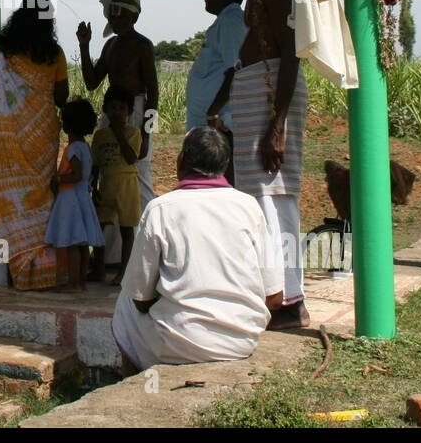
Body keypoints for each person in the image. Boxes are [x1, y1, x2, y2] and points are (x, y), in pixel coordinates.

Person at [112, 127, 283, 371]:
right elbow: (274, 298)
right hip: (241, 343)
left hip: (179, 342)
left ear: (181, 160)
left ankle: (131, 383)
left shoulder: (160, 208)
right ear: (224, 166)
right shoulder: (249, 206)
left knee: (125, 300)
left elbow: (140, 299)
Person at [218, 0, 310, 330]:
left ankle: (290, 300)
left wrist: (278, 125)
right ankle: (276, 294)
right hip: (261, 93)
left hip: (274, 94)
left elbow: (289, 52)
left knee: (277, 200)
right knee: (261, 202)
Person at [0, 0, 69, 290]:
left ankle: (15, 269)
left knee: (12, 201)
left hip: (7, 139)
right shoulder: (54, 54)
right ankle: (43, 271)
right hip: (43, 137)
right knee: (42, 197)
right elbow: (61, 98)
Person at [76, 0, 158, 216]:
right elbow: (92, 82)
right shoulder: (110, 45)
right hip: (112, 113)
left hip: (137, 112)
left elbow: (153, 91)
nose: (115, 20)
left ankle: (143, 236)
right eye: (112, 16)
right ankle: (112, 247)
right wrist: (84, 46)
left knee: (138, 173)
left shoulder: (143, 45)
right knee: (109, 170)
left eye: (119, 15)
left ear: (133, 17)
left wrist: (148, 132)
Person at [45, 99, 104, 292]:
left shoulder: (72, 149)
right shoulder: (85, 147)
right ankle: (81, 282)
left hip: (70, 199)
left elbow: (76, 175)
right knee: (83, 243)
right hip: (82, 198)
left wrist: (59, 178)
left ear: (66, 125)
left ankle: (73, 284)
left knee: (72, 243)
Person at [88, 85, 142, 284]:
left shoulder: (133, 133)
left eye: (121, 108)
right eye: (113, 108)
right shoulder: (100, 136)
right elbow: (95, 164)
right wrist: (93, 188)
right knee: (98, 228)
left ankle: (124, 272)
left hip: (127, 185)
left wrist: (119, 134)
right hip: (107, 185)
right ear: (105, 110)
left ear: (129, 111)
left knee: (126, 230)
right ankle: (98, 268)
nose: (117, 113)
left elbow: (131, 158)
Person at [186, 0, 247, 133]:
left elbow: (235, 72)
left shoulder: (230, 23)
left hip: (219, 124)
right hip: (210, 123)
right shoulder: (225, 21)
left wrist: (212, 113)